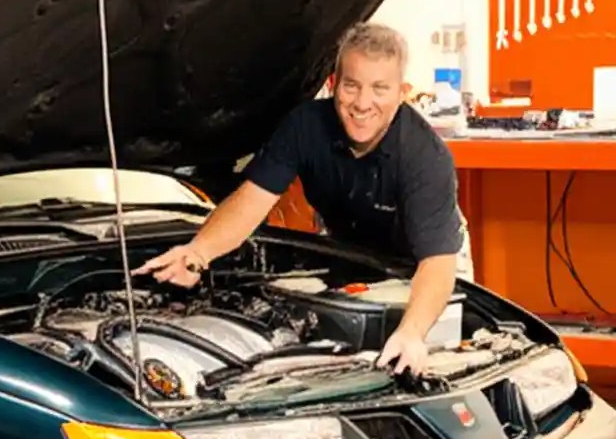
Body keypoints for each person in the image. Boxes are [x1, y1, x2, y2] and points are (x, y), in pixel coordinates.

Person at [134, 22, 468, 376]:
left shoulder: (424, 156)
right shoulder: (305, 127)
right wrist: (197, 254)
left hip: (429, 262)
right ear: (333, 84)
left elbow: (437, 263)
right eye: (351, 85)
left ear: (402, 92)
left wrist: (413, 333)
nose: (362, 103)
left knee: (418, 362)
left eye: (380, 89)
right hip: (350, 251)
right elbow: (251, 200)